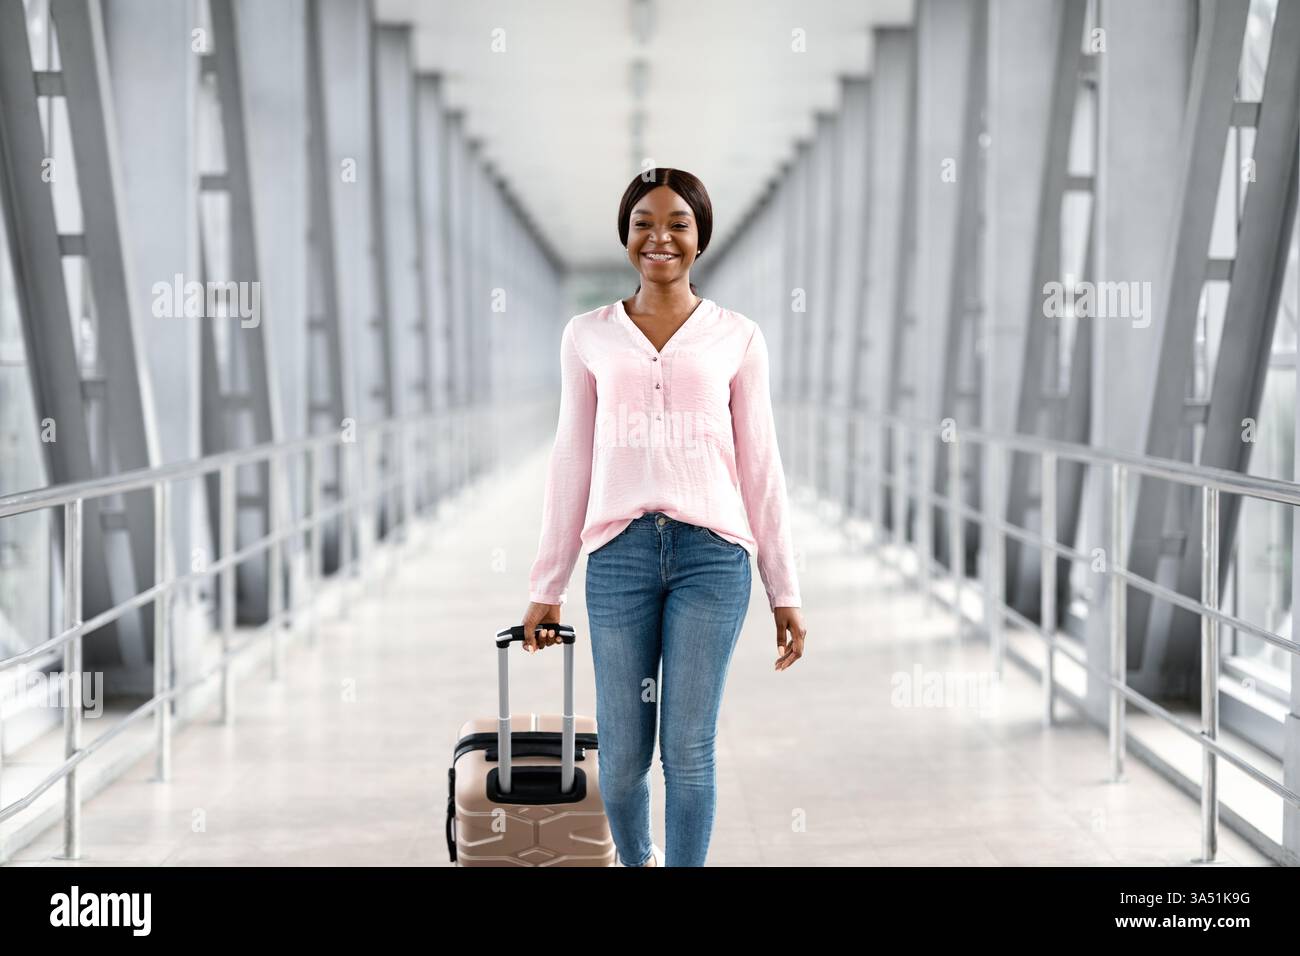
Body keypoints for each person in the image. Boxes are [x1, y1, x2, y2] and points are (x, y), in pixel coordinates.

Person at [521, 167, 807, 867]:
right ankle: (637, 855)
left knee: (689, 748)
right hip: (618, 555)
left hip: (713, 556)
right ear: (626, 236)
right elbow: (571, 460)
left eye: (678, 222)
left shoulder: (737, 337)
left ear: (700, 236)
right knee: (621, 758)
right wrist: (545, 584)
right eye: (644, 222)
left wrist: (785, 589)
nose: (661, 237)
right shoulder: (588, 336)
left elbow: (759, 463)